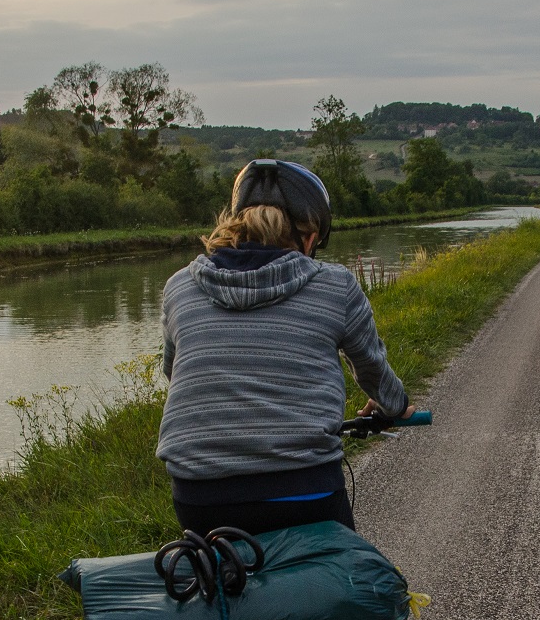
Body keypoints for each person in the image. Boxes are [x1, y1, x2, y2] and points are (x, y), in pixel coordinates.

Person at [157, 159, 412, 537]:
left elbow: (173, 371)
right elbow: (371, 369)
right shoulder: (336, 286)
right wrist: (395, 405)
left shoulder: (179, 287)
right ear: (309, 237)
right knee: (351, 584)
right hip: (304, 491)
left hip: (198, 497)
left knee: (218, 582)